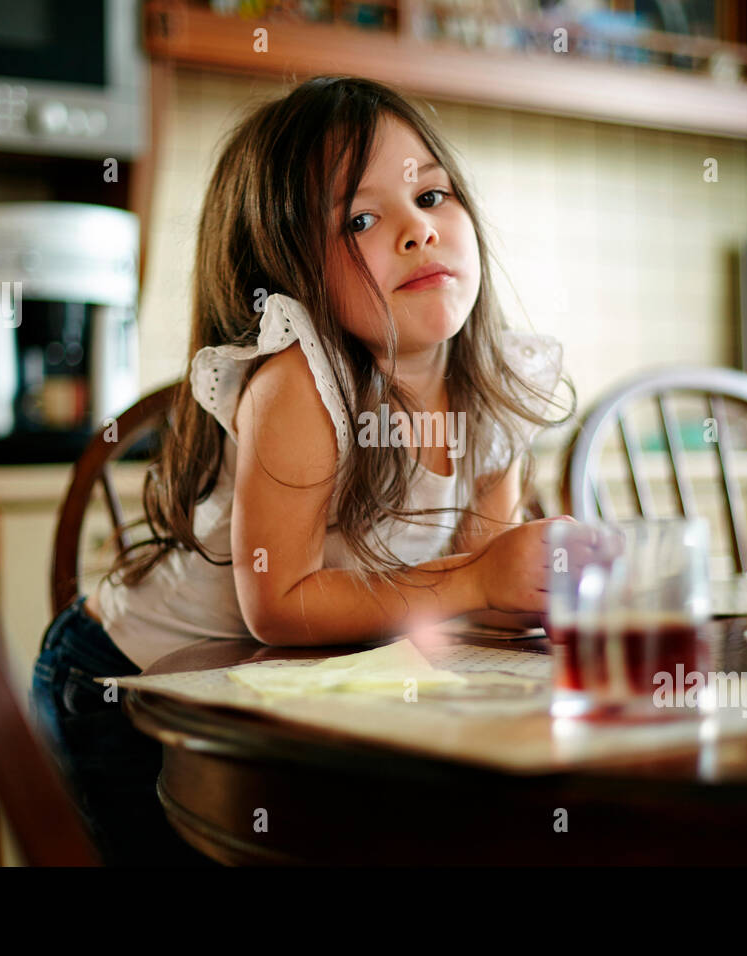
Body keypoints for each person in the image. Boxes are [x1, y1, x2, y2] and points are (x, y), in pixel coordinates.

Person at [30, 75, 574, 865]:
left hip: (294, 693)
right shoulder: (302, 382)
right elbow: (279, 607)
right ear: (289, 273)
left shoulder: (494, 389)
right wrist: (479, 581)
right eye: (360, 217)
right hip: (128, 689)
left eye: (431, 195)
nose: (417, 231)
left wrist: (529, 584)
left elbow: (470, 597)